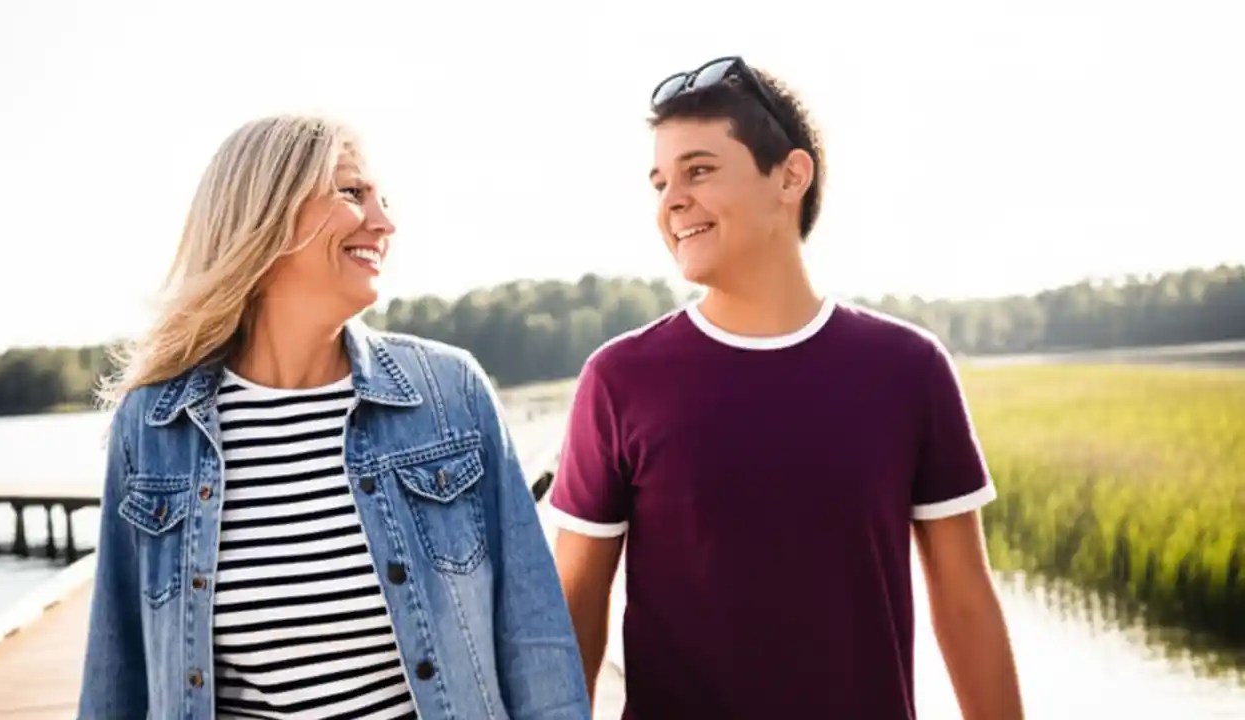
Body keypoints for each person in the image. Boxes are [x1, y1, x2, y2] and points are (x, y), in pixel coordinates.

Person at [549, 57, 1024, 719]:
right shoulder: (619, 379)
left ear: (790, 176)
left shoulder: (907, 368)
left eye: (700, 170)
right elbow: (574, 609)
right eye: (660, 182)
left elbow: (966, 603)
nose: (671, 201)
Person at [78, 115, 591, 720]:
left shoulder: (450, 394)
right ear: (264, 214)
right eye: (351, 193)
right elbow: (116, 673)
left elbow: (536, 643)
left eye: (382, 198)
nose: (384, 222)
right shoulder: (155, 426)